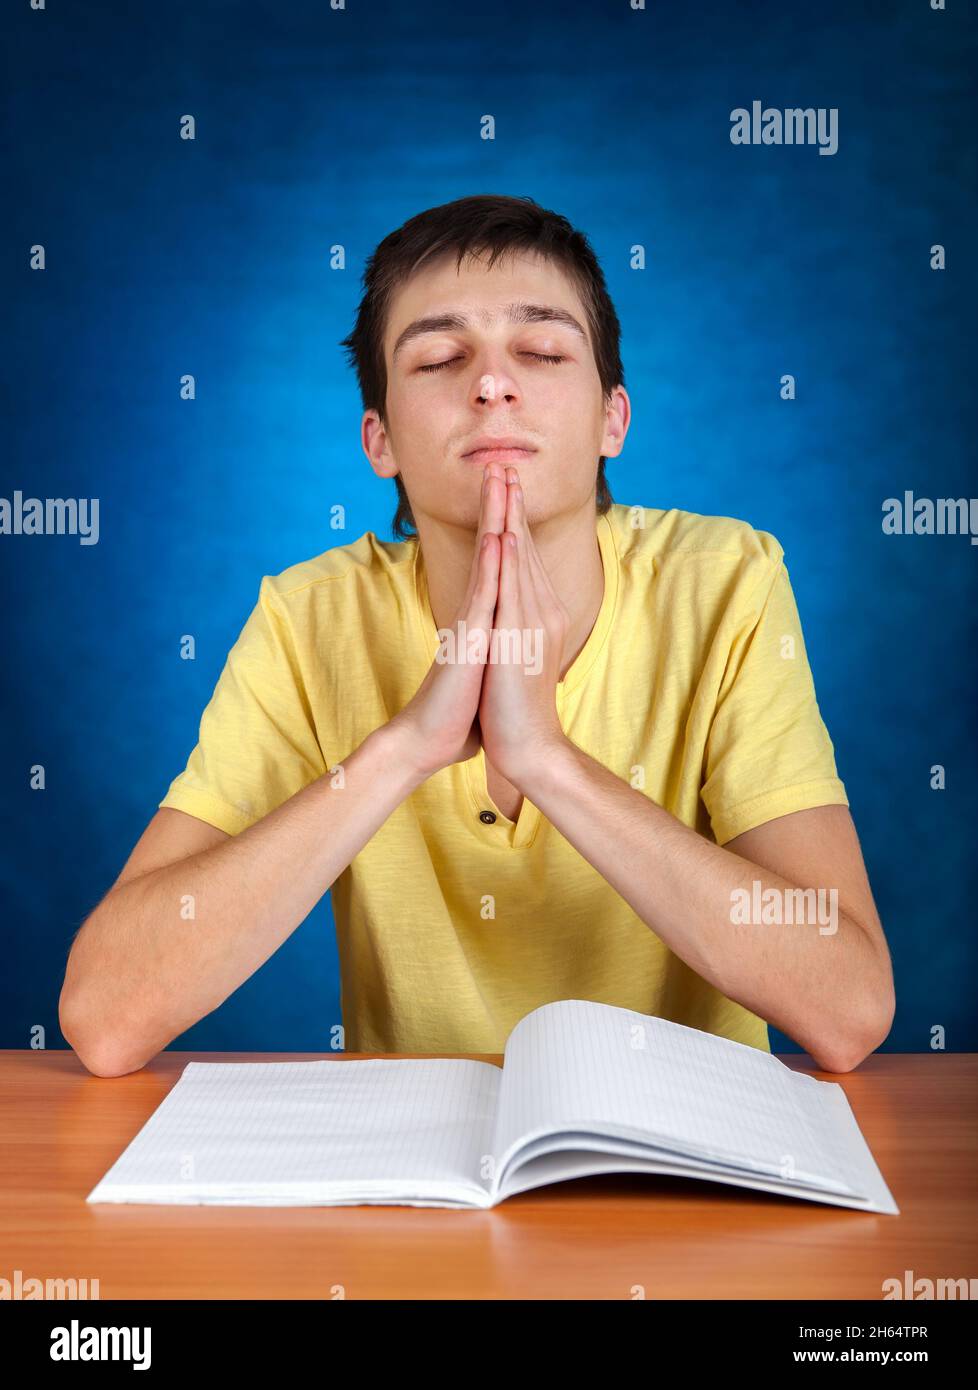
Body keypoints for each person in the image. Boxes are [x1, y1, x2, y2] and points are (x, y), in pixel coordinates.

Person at [59, 194, 895, 1077]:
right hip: (418, 1192)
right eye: (439, 358)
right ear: (379, 441)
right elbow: (105, 1019)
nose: (493, 383)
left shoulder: (727, 583)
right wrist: (406, 746)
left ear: (614, 418)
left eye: (540, 350)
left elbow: (847, 1008)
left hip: (684, 1182)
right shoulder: (308, 621)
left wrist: (547, 760)